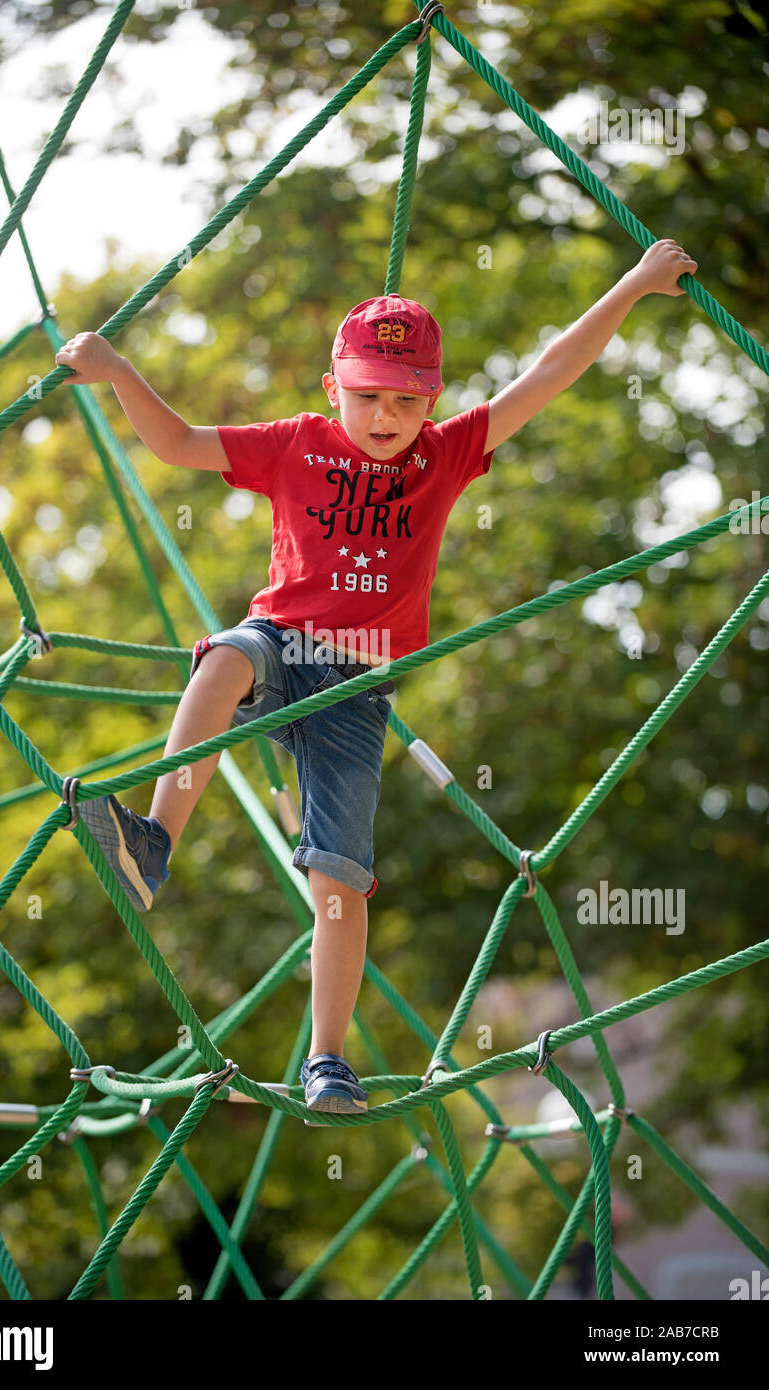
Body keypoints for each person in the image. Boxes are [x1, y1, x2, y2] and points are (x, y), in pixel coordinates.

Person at [54, 239, 697, 1118]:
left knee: (338, 880)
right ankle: (154, 844)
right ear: (333, 390)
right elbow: (174, 443)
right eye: (367, 397)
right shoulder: (294, 447)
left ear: (430, 401)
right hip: (283, 642)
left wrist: (633, 284)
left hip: (357, 684)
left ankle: (327, 1061)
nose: (386, 416)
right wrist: (117, 368)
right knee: (221, 660)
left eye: (406, 399)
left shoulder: (446, 453)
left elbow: (549, 373)